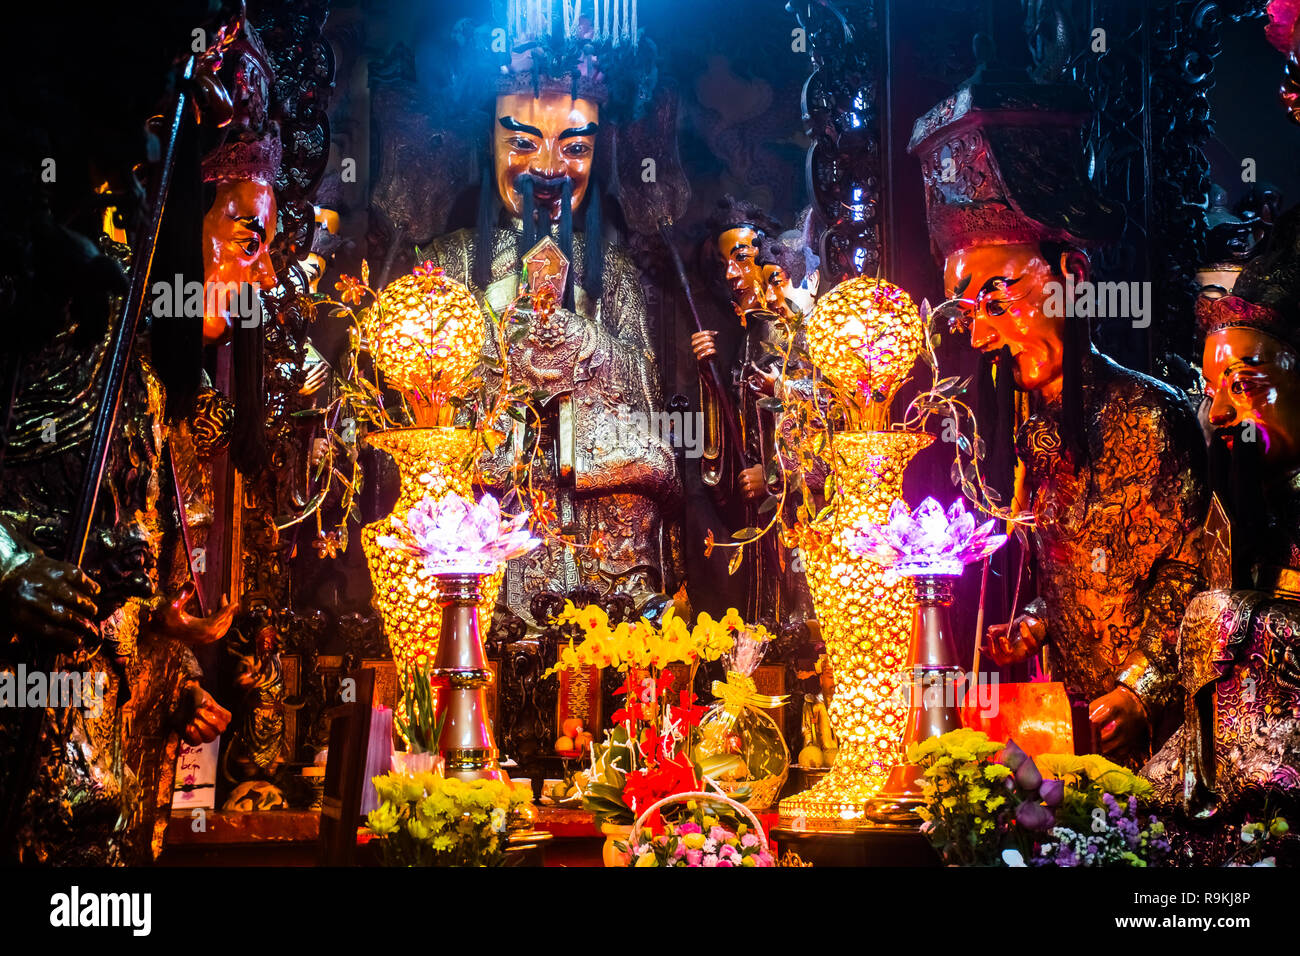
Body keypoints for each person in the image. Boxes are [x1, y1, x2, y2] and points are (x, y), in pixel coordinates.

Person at [909, 82, 1208, 761]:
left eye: (996, 295)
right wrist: (1037, 623)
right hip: (1069, 725)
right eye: (967, 312)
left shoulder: (1148, 415)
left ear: (1071, 274)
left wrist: (1143, 687)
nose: (980, 333)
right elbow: (1073, 569)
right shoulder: (1029, 432)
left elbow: (1185, 578)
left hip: (1155, 725)